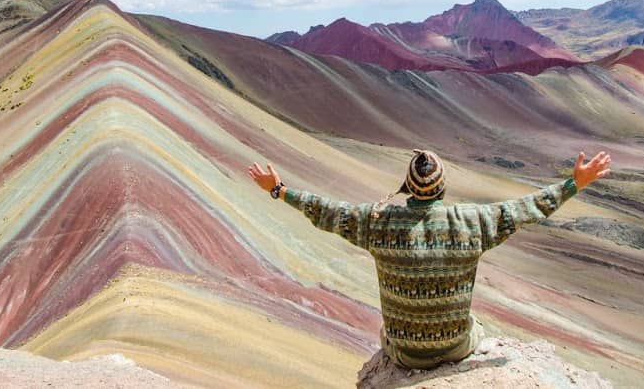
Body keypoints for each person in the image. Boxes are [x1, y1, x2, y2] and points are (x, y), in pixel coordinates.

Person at [246, 148, 613, 370]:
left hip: (403, 353)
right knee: (476, 324)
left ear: (406, 187)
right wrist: (573, 183)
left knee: (387, 332)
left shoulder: (377, 224)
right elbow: (525, 209)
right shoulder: (472, 223)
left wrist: (278, 190)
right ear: (442, 188)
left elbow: (326, 210)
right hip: (456, 349)